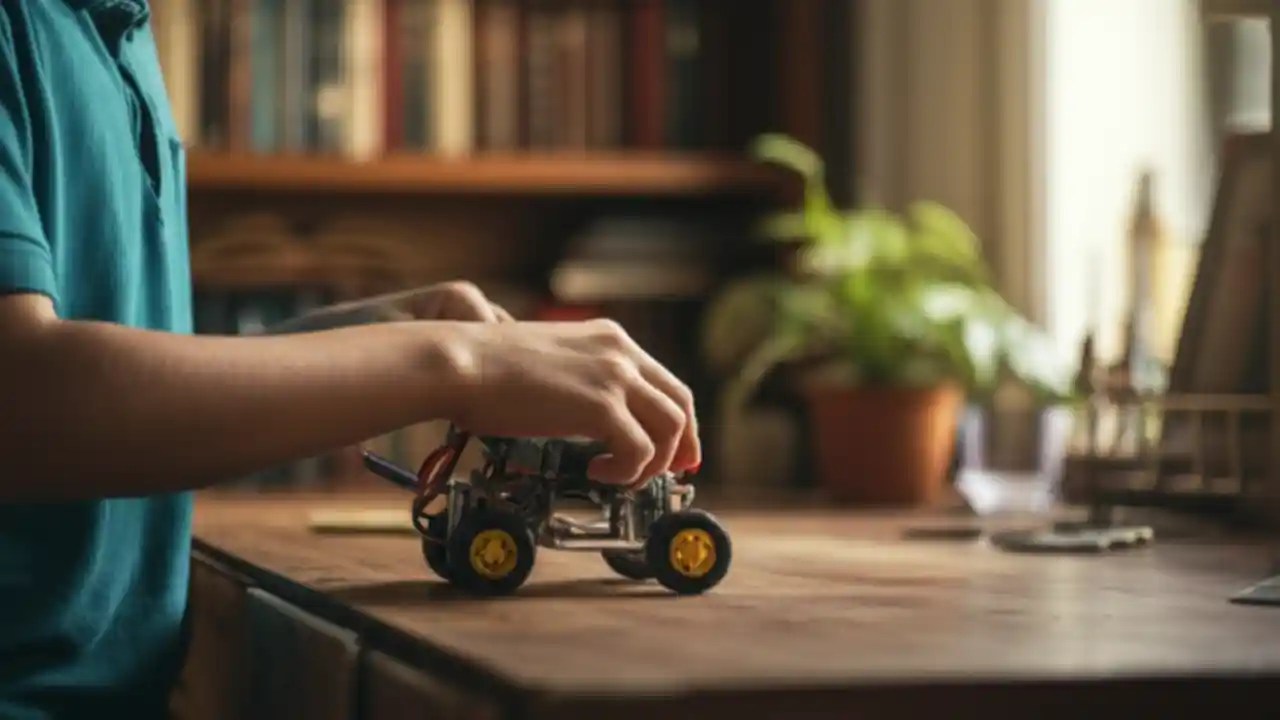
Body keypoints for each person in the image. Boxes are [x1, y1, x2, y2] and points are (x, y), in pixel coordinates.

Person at [0, 3, 699, 718]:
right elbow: (23, 403)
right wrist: (454, 362)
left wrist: (368, 338)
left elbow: (122, 402)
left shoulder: (115, 27)